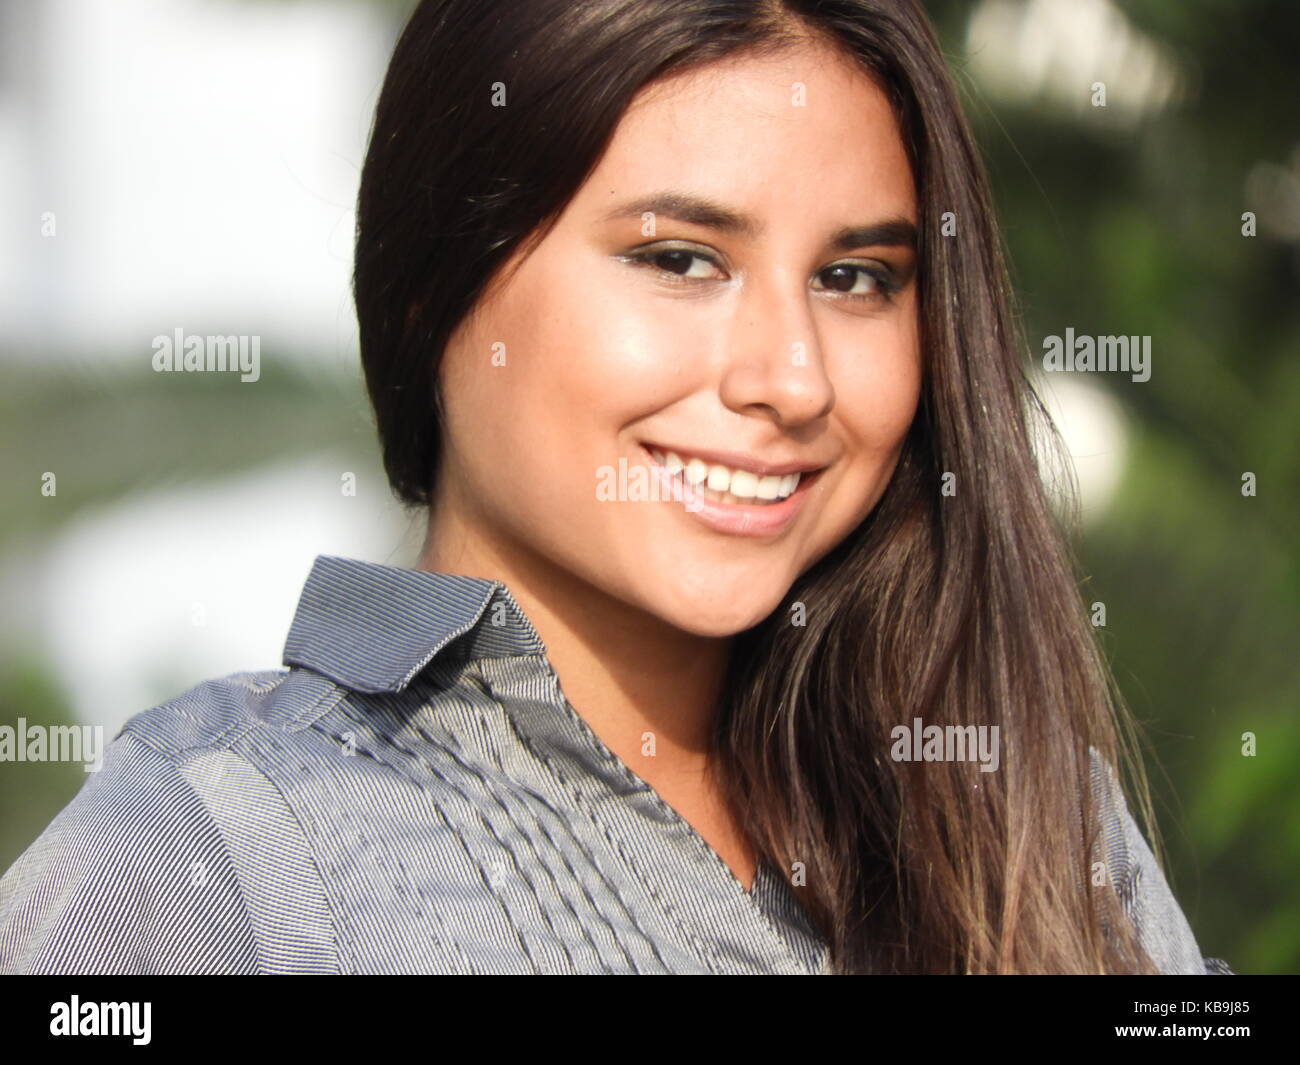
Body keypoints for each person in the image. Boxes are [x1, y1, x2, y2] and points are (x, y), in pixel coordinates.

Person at [0, 0, 1230, 974]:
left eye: (855, 277)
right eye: (681, 259)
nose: (792, 379)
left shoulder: (1014, 812)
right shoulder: (208, 859)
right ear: (438, 283)